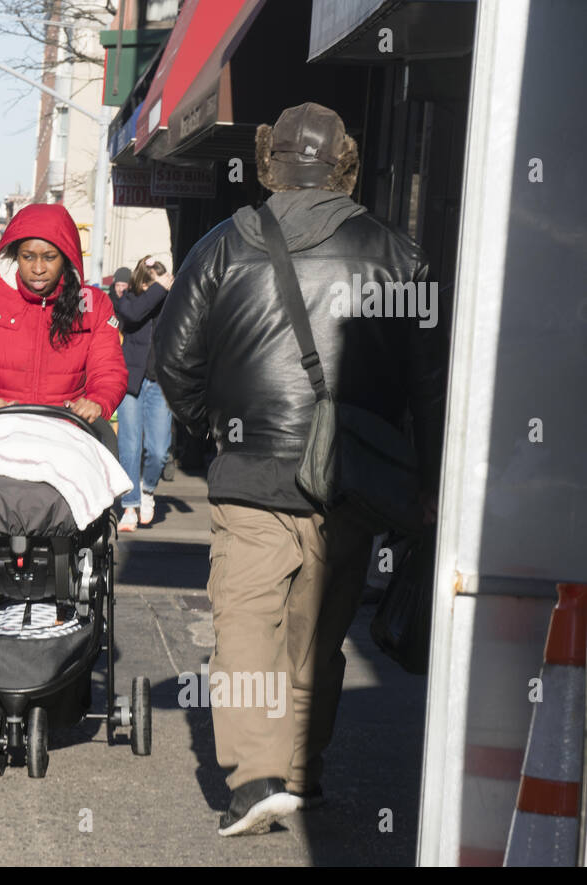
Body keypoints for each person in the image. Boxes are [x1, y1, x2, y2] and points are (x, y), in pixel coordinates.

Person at [153, 102, 447, 837]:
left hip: (251, 473)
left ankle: (254, 776)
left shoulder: (221, 246)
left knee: (247, 623)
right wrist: (430, 479)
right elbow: (431, 382)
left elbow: (173, 363)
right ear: (344, 162)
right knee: (319, 630)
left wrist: (216, 429)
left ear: (268, 162)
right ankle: (304, 771)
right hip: (352, 477)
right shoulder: (398, 253)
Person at [0, 202, 127, 445]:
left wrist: (97, 401)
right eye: (28, 257)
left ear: (66, 257)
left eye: (49, 257)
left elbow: (108, 370)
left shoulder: (93, 304)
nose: (38, 268)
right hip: (0, 429)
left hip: (68, 433)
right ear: (15, 256)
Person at [114, 255, 175, 532]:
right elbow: (134, 314)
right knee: (129, 446)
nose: (156, 290)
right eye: (150, 284)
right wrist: (158, 289)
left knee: (159, 450)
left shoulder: (169, 304)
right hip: (130, 382)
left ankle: (147, 490)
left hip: (159, 383)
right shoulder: (128, 300)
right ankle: (129, 505)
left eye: (159, 284)